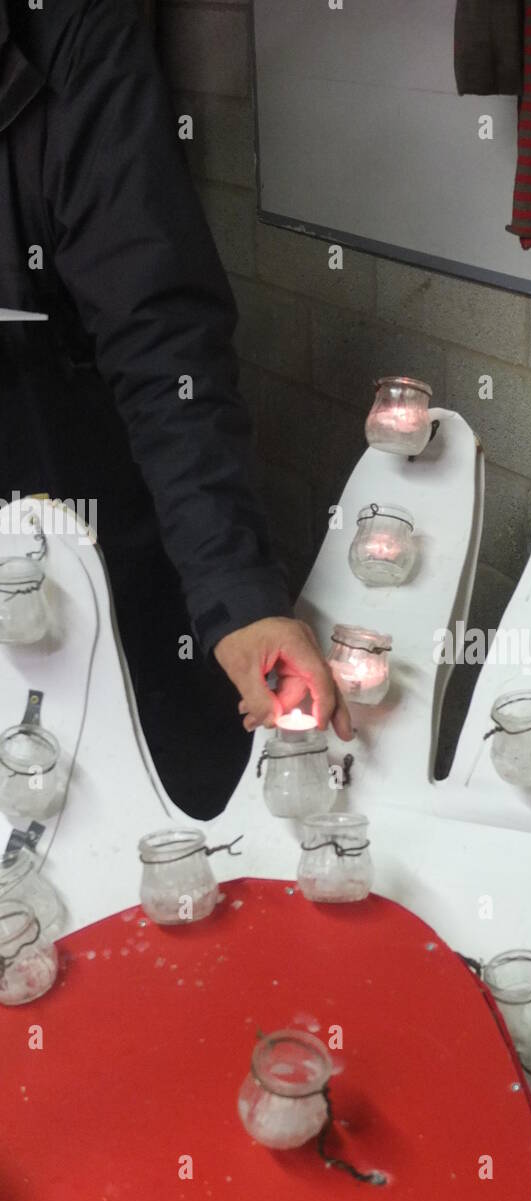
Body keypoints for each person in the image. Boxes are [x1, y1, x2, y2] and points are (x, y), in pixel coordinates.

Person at [0, 0, 352, 817]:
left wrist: (238, 597)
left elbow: (160, 339)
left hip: (71, 482)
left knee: (159, 798)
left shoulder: (75, 31)